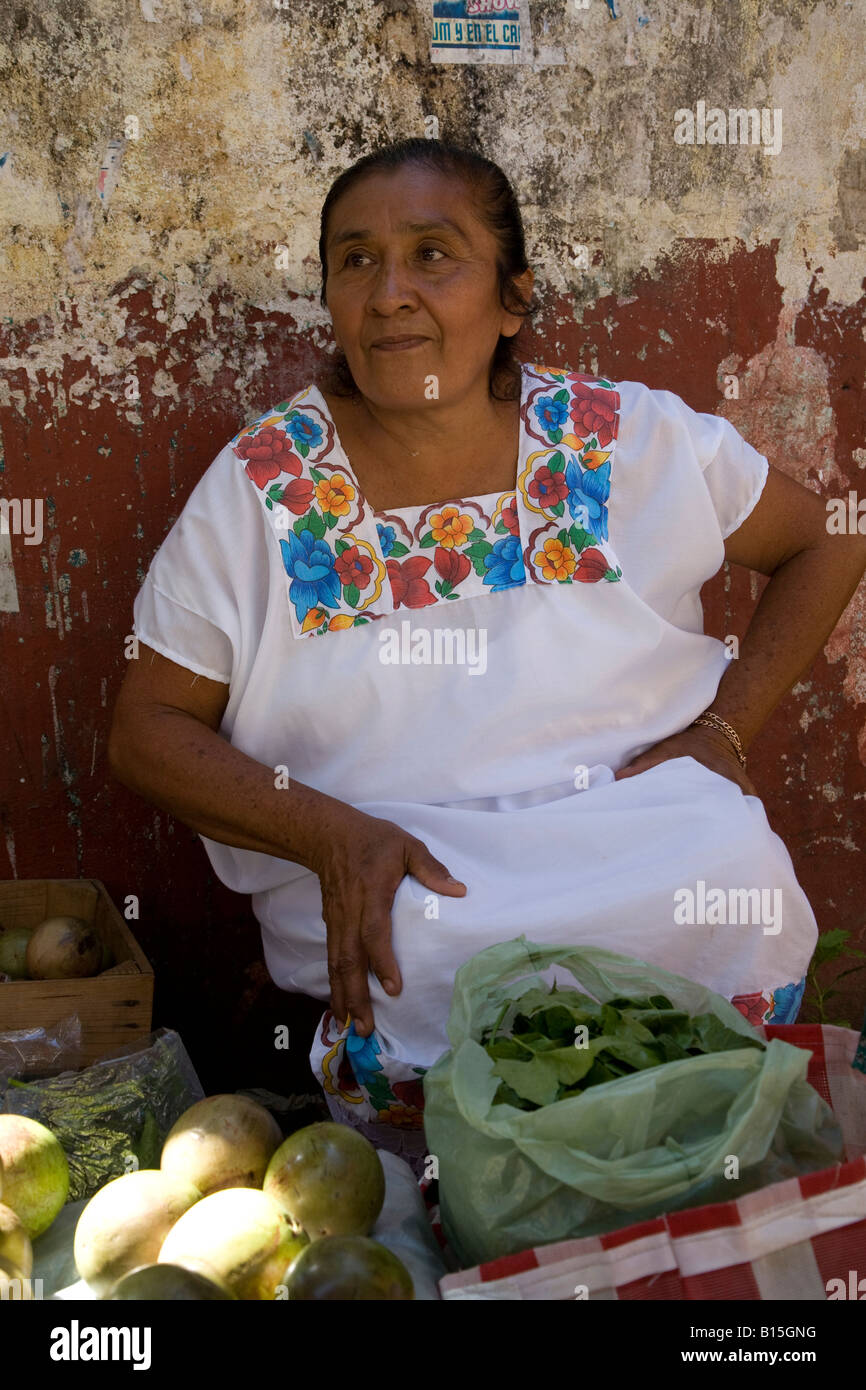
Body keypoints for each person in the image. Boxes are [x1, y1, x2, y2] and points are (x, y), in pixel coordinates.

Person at [109, 139, 866, 1165]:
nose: (388, 294)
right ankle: (462, 1193)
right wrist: (332, 836)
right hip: (405, 865)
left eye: (433, 255)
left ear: (511, 299)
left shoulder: (618, 436)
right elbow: (147, 730)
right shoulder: (267, 482)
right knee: (419, 949)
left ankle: (693, 1161)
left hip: (626, 824)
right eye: (355, 261)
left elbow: (825, 540)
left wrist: (722, 732)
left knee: (731, 868)